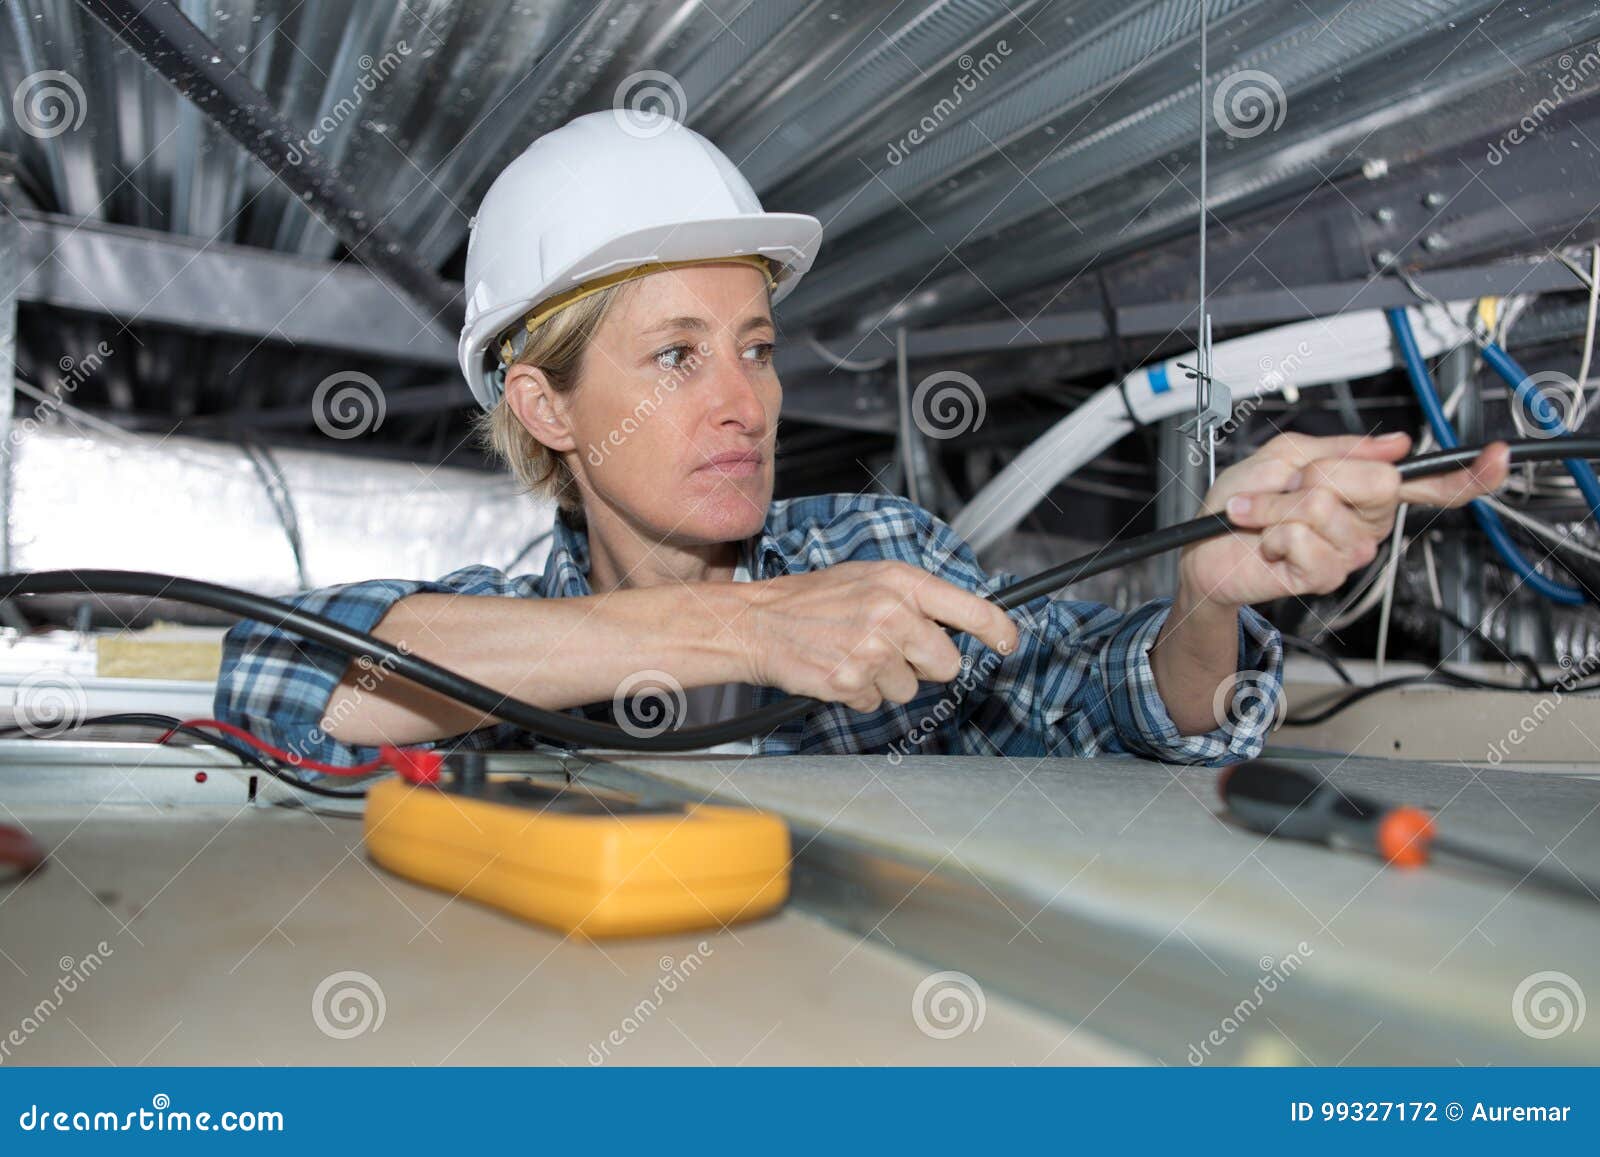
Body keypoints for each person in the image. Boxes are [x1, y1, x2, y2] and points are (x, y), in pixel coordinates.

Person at [213, 109, 1510, 770]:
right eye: (676, 355)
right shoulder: (484, 637)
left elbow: (1094, 703)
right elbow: (266, 673)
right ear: (549, 409)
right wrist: (742, 628)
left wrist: (1206, 603)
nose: (746, 400)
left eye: (757, 347)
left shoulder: (877, 551)